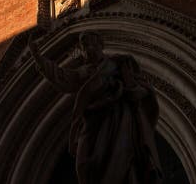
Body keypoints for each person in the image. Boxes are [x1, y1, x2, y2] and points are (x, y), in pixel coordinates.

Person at [28, 31, 163, 183]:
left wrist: (124, 89)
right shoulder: (83, 72)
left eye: (90, 43)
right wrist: (38, 58)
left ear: (100, 45)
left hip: (117, 120)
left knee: (121, 159)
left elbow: (141, 88)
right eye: (84, 46)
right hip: (92, 122)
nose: (87, 48)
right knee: (83, 165)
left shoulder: (119, 64)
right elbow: (62, 77)